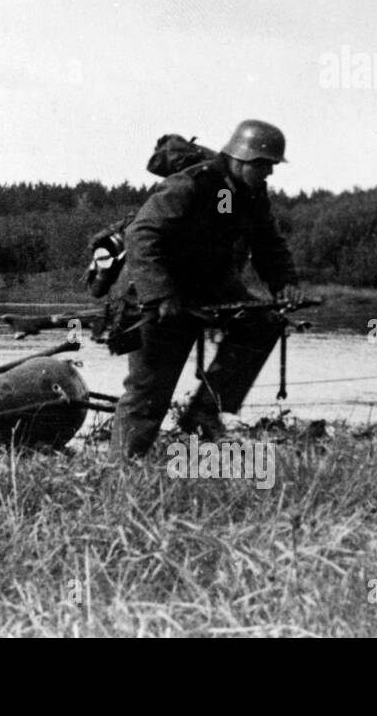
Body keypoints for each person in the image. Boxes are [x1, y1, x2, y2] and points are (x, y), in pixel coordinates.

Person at [111, 119, 304, 460]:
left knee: (263, 322)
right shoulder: (191, 184)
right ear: (241, 158)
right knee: (149, 389)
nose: (269, 174)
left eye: (272, 166)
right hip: (152, 293)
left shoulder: (252, 194)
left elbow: (268, 244)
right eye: (264, 166)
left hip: (208, 289)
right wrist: (160, 294)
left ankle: (204, 414)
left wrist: (284, 283)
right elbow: (141, 235)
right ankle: (122, 467)